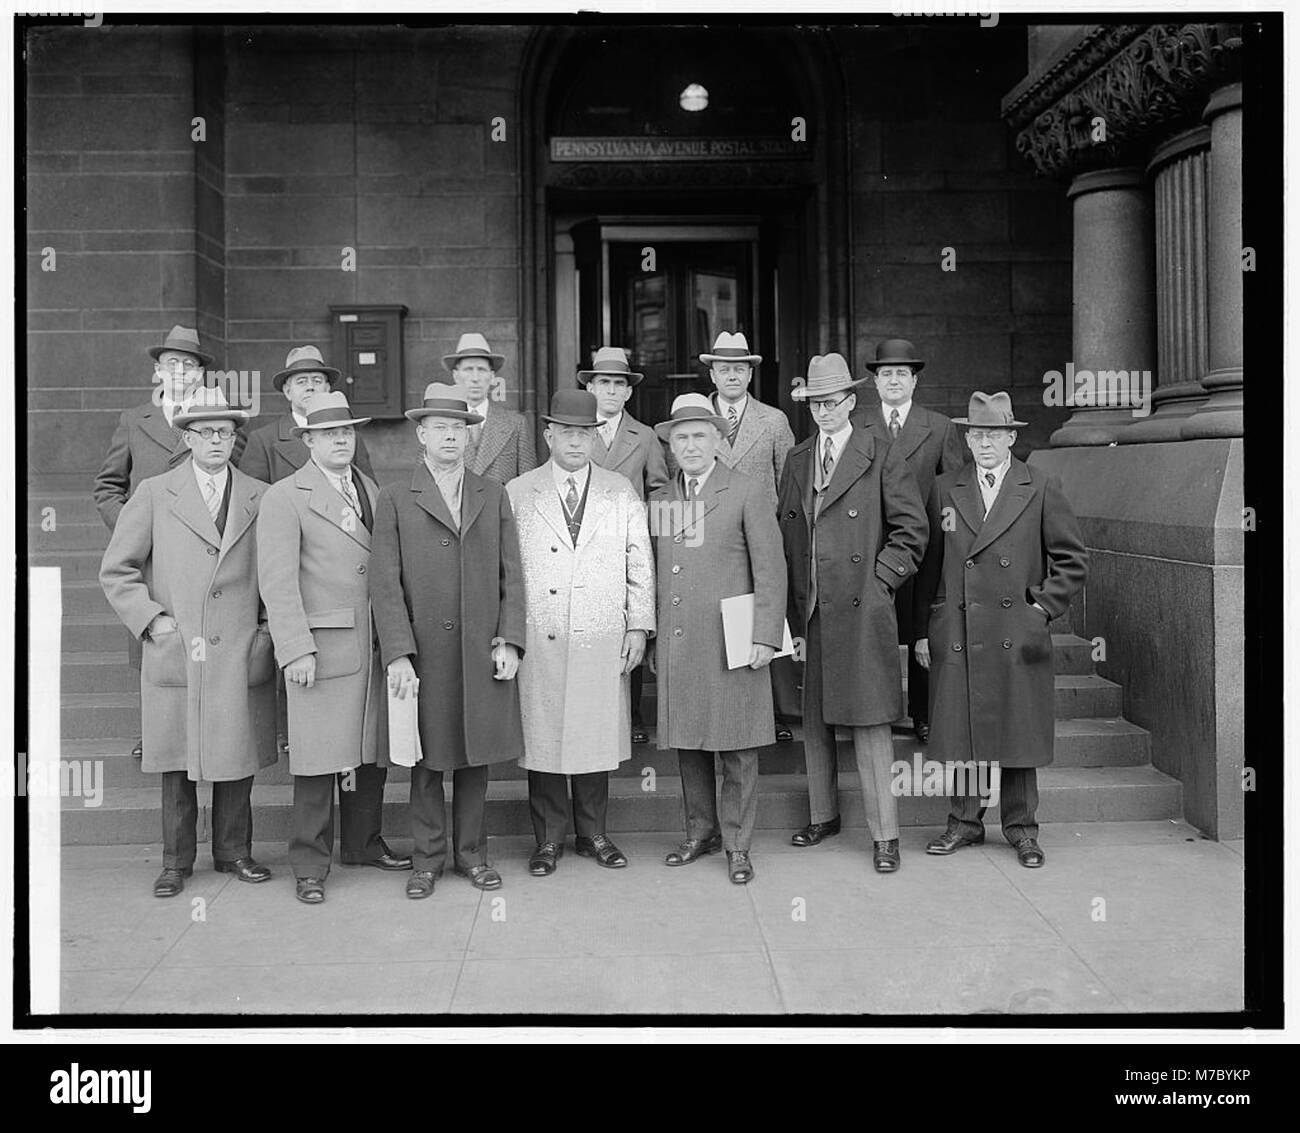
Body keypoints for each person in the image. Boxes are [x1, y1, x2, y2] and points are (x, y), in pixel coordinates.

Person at [99, 387, 276, 897]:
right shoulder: (155, 492)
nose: (217, 440)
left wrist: (264, 630)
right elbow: (118, 569)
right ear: (187, 437)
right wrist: (152, 621)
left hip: (239, 644)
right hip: (178, 643)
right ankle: (175, 861)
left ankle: (234, 852)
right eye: (206, 432)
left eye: (226, 432)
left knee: (236, 754)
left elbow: (279, 572)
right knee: (177, 759)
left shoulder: (260, 496)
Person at [915, 391, 1088, 869]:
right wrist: (927, 625)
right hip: (960, 628)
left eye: (995, 434)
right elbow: (929, 567)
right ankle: (964, 822)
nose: (985, 443)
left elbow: (1072, 561)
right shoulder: (945, 488)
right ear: (967, 438)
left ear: (1011, 437)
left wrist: (1040, 609)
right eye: (976, 434)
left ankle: (1021, 829)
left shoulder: (1040, 485)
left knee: (1017, 732)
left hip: (1017, 627)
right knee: (966, 728)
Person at [371, 383, 527, 900]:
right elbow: (384, 583)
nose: (451, 437)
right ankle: (427, 859)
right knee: (425, 762)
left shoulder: (492, 492)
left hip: (481, 647)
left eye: (459, 428)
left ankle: (472, 855)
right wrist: (397, 652)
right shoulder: (395, 496)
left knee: (474, 758)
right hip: (425, 655)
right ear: (421, 434)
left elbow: (512, 575)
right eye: (440, 428)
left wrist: (510, 640)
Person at [257, 391, 411, 904]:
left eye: (346, 431)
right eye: (329, 434)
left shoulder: (369, 486)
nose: (341, 440)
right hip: (320, 648)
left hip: (370, 641)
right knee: (318, 761)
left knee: (369, 755)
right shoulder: (285, 496)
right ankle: (308, 863)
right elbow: (277, 583)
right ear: (307, 440)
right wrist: (295, 648)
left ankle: (364, 844)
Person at [777, 353, 928, 873]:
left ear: (850, 402)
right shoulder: (797, 459)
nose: (824, 411)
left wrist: (880, 581)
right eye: (815, 403)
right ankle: (824, 815)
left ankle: (885, 836)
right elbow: (788, 536)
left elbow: (912, 532)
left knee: (869, 720)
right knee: (815, 720)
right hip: (813, 608)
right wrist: (792, 613)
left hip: (864, 606)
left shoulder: (881, 453)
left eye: (832, 402)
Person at [506, 388, 655, 877]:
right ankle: (547, 839)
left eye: (585, 432)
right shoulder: (519, 491)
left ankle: (593, 832)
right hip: (541, 631)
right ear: (548, 435)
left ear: (595, 436)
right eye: (566, 431)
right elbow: (506, 571)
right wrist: (507, 634)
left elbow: (639, 560)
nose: (576, 441)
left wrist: (638, 625)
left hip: (600, 630)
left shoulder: (619, 489)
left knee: (594, 731)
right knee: (544, 733)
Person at [650, 394, 786, 884]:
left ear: (718, 441)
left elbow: (772, 570)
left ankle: (738, 844)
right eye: (680, 437)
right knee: (689, 742)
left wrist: (766, 636)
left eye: (699, 436)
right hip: (682, 639)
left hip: (734, 638)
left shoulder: (747, 491)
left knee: (737, 746)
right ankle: (700, 832)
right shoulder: (663, 497)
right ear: (670, 444)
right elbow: (665, 568)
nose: (689, 445)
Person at [93, 325, 239, 759]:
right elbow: (107, 486)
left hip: (206, 547)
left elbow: (234, 483)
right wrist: (134, 531)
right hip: (155, 553)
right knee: (156, 635)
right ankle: (154, 728)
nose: (181, 371)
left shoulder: (218, 421)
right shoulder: (135, 420)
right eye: (172, 363)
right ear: (159, 371)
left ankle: (214, 726)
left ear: (200, 374)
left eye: (190, 364)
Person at [855, 338, 966, 744]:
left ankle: (923, 713)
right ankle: (874, 712)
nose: (894, 381)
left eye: (902, 373)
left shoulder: (938, 427)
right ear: (875, 382)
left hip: (924, 546)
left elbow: (954, 487)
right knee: (873, 629)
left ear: (914, 381)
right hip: (868, 543)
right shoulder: (859, 424)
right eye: (886, 374)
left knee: (923, 630)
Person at [696, 329, 797, 743]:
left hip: (759, 535)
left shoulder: (773, 421)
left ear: (750, 375)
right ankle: (717, 713)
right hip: (712, 540)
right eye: (724, 369)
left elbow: (787, 484)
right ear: (713, 375)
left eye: (739, 369)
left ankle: (775, 713)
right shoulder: (697, 420)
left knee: (763, 619)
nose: (732, 376)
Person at [580, 345, 669, 745]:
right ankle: (591, 713)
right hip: (581, 546)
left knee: (629, 629)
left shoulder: (645, 436)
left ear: (629, 392)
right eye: (604, 383)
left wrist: (652, 542)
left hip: (626, 548)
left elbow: (660, 491)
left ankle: (631, 715)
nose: (612, 391)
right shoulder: (575, 429)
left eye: (619, 384)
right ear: (591, 386)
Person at [235, 345, 375, 484]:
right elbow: (252, 498)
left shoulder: (349, 436)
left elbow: (368, 491)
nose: (310, 387)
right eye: (301, 382)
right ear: (287, 391)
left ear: (327, 388)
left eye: (317, 381)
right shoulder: (263, 440)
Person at [442, 332, 537, 483]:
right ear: (455, 376)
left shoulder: (516, 424)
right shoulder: (440, 423)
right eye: (468, 369)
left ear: (492, 376)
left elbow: (529, 484)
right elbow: (425, 483)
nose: (475, 378)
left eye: (481, 369)